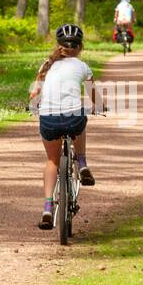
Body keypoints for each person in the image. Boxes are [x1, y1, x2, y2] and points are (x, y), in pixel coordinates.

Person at [30, 23, 95, 229]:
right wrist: (97, 106)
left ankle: (48, 207)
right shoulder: (83, 67)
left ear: (59, 45)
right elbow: (94, 97)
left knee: (52, 161)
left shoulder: (46, 65)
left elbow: (34, 95)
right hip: (73, 119)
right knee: (81, 115)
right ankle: (82, 163)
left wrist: (36, 104)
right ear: (80, 47)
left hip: (48, 118)